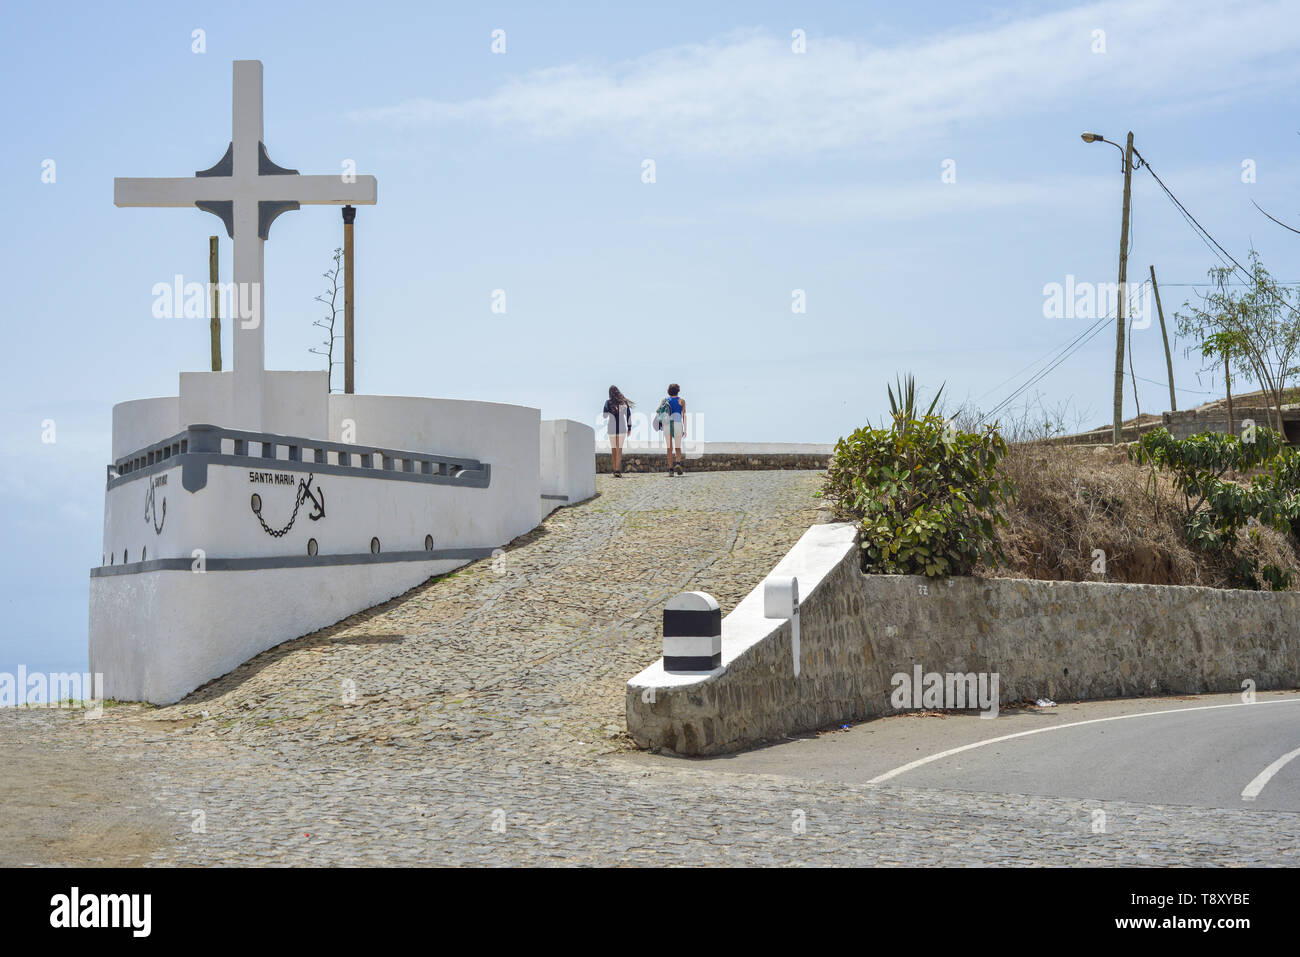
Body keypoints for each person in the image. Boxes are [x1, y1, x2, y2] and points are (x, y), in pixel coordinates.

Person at [603, 386, 633, 476]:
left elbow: (604, 415)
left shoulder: (608, 402)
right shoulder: (623, 402)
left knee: (613, 450)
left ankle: (614, 469)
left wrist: (610, 411)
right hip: (622, 428)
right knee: (619, 449)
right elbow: (628, 415)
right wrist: (629, 428)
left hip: (611, 427)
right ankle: (617, 470)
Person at [658, 383, 686, 476]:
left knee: (669, 448)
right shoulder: (681, 401)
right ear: (678, 391)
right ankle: (678, 464)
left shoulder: (665, 400)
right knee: (678, 447)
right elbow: (684, 415)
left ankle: (670, 470)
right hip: (677, 423)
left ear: (668, 391)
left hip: (667, 424)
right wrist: (685, 429)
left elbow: (658, 411)